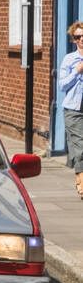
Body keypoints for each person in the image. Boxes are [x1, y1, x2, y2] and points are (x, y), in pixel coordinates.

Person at [59, 19, 83, 201]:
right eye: (78, 37)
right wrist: (77, 71)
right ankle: (81, 178)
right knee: (80, 147)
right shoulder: (69, 59)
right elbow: (62, 85)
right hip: (74, 109)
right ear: (74, 39)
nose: (81, 40)